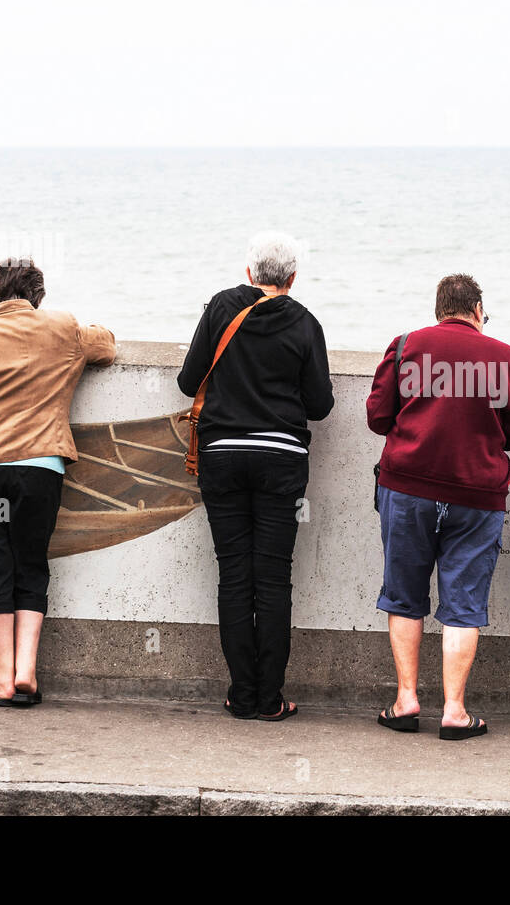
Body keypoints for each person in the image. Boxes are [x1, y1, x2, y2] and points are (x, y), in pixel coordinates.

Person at [0, 257, 116, 708]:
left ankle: (1, 679)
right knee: (30, 563)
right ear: (39, 296)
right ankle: (27, 672)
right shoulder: (64, 328)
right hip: (39, 469)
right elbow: (108, 347)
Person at [366, 274, 510, 741]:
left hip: (408, 489)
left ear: (440, 308)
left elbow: (378, 416)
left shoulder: (405, 346)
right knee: (463, 604)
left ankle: (405, 702)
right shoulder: (504, 358)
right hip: (476, 497)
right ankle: (455, 712)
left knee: (403, 595)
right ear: (478, 309)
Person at [177, 231, 334, 722]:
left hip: (222, 456)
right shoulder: (306, 323)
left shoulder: (222, 307)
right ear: (291, 277)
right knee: (273, 579)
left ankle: (241, 694)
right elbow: (321, 405)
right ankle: (270, 698)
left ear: (250, 274)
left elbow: (187, 381)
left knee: (233, 575)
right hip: (281, 461)